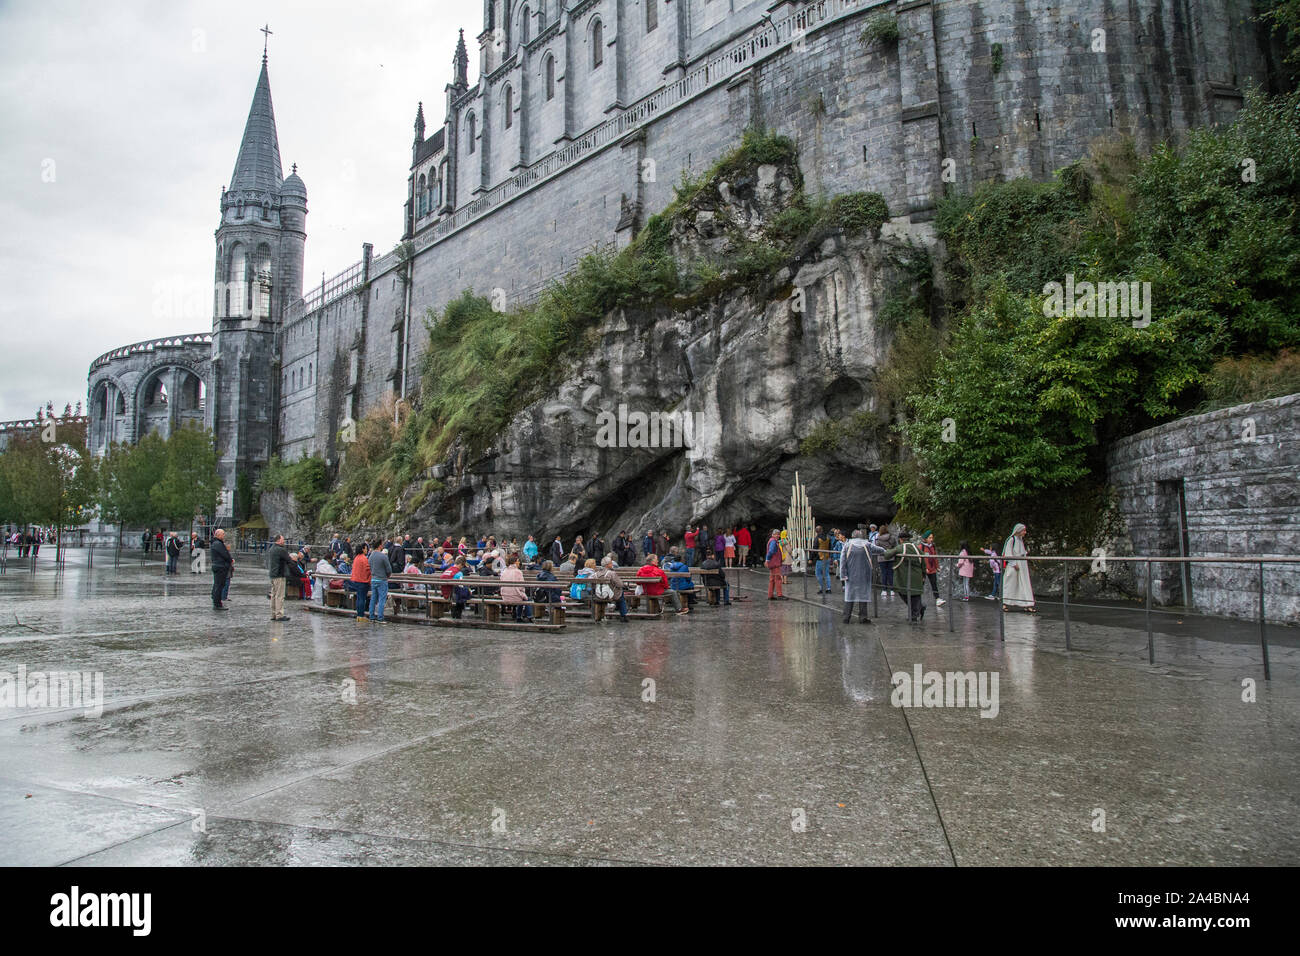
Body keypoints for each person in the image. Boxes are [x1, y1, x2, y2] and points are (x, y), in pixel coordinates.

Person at [879, 530, 926, 622]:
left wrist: (887, 550)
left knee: (903, 592)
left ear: (900, 539)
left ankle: (915, 614)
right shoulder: (916, 548)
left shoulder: (900, 548)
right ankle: (918, 610)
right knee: (915, 595)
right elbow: (923, 562)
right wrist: (924, 574)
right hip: (917, 575)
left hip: (904, 576)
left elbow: (887, 555)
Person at [838, 529, 876, 625]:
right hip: (864, 575)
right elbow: (878, 549)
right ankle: (863, 617)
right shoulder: (867, 544)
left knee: (849, 596)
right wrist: (888, 552)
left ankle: (846, 617)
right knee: (863, 596)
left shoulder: (847, 545)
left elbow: (842, 561)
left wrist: (843, 575)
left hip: (851, 575)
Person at [1001, 523, 1036, 612]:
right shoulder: (1011, 540)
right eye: (1024, 530)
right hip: (1015, 565)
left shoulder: (1020, 540)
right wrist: (1013, 563)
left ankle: (1027, 604)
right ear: (1019, 531)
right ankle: (1004, 603)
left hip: (1022, 565)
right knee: (1010, 584)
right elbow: (1008, 553)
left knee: (1024, 584)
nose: (1025, 532)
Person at [591, 557, 630, 623]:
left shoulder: (595, 574)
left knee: (619, 593)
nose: (612, 564)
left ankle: (599, 616)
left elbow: (594, 585)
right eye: (611, 563)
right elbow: (619, 584)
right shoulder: (611, 573)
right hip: (610, 595)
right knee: (621, 594)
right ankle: (623, 615)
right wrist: (624, 585)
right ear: (607, 565)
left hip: (599, 594)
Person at [266, 534, 293, 621]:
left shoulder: (272, 549)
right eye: (283, 540)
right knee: (280, 596)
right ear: (278, 540)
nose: (284, 541)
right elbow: (289, 560)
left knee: (273, 595)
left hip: (272, 574)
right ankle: (279, 614)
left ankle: (273, 614)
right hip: (279, 575)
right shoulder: (281, 550)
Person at [500, 553, 530, 621]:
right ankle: (527, 616)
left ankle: (520, 616)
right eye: (518, 561)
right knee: (526, 598)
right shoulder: (518, 572)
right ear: (515, 562)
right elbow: (521, 586)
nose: (519, 562)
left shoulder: (504, 571)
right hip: (515, 595)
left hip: (504, 595)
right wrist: (523, 593)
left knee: (522, 597)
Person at [368, 542, 392, 623]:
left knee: (373, 599)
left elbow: (370, 567)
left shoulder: (371, 556)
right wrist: (387, 576)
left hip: (373, 579)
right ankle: (380, 617)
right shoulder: (383, 556)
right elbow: (389, 569)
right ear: (379, 546)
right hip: (382, 579)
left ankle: (371, 616)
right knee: (382, 599)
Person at [209, 529, 233, 611]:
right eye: (223, 534)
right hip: (220, 566)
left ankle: (217, 601)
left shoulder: (216, 543)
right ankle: (217, 603)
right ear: (218, 535)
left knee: (218, 585)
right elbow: (225, 554)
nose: (224, 536)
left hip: (219, 566)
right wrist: (230, 560)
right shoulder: (218, 544)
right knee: (219, 585)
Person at [921, 530, 945, 607]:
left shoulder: (932, 546)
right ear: (925, 539)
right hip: (924, 570)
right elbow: (920, 559)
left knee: (934, 583)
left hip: (932, 569)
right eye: (929, 538)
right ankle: (916, 599)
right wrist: (923, 569)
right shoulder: (921, 547)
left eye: (932, 538)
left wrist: (937, 566)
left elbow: (935, 557)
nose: (931, 539)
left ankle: (937, 599)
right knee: (921, 584)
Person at [349, 544, 372, 620]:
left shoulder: (356, 558)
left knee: (359, 598)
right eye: (366, 549)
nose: (367, 550)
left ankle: (359, 614)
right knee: (362, 599)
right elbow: (368, 570)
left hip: (356, 580)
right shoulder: (364, 558)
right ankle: (361, 615)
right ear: (363, 549)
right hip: (363, 581)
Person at [875, 524, 896, 597]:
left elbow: (876, 548)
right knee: (890, 573)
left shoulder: (878, 539)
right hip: (890, 557)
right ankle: (892, 590)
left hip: (881, 558)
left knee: (884, 573)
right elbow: (895, 546)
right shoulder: (892, 538)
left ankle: (884, 590)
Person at [765, 530, 786, 600]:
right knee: (778, 579)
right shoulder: (773, 542)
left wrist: (767, 560)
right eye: (777, 534)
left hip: (772, 563)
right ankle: (779, 595)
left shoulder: (772, 541)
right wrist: (767, 559)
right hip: (774, 563)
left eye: (778, 534)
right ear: (773, 535)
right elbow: (771, 551)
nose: (778, 536)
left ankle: (770, 595)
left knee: (772, 579)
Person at [812, 526, 833, 594]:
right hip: (826, 557)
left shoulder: (817, 538)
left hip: (820, 558)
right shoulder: (828, 537)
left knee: (818, 573)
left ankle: (822, 587)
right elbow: (830, 547)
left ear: (816, 531)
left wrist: (811, 558)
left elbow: (814, 549)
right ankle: (828, 588)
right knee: (826, 573)